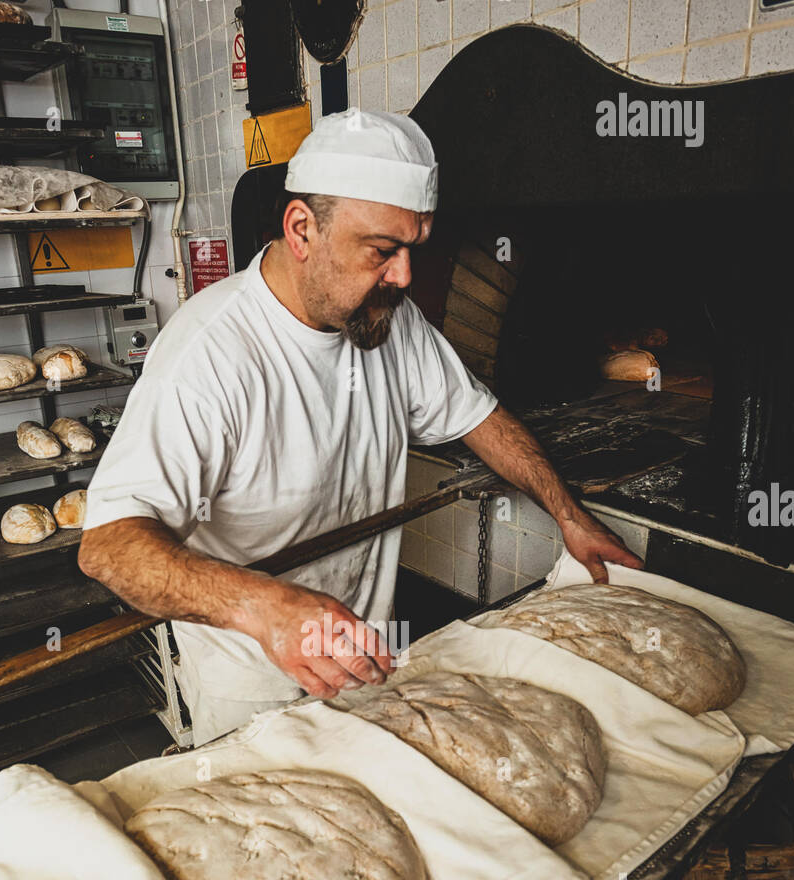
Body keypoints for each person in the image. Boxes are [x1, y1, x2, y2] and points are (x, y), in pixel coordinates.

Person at [79, 108, 641, 746]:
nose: (403, 276)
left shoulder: (388, 317)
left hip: (367, 653)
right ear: (301, 230)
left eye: (411, 251)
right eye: (381, 251)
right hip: (254, 680)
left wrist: (568, 515)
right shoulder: (211, 354)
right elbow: (109, 548)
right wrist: (267, 608)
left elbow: (478, 416)